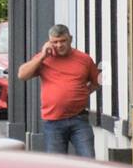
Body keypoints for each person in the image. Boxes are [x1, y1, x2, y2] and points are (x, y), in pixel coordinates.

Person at [17, 24, 101, 157]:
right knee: (57, 164)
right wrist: (42, 56)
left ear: (70, 39)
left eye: (63, 41)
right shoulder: (44, 59)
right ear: (49, 42)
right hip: (53, 121)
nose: (59, 45)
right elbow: (22, 75)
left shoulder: (84, 59)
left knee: (88, 158)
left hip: (79, 118)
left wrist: (85, 92)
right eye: (55, 42)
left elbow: (98, 81)